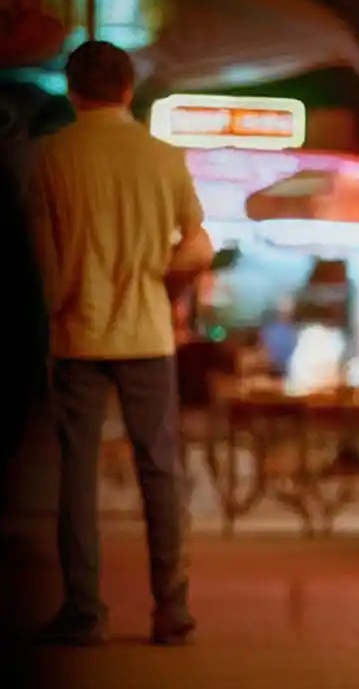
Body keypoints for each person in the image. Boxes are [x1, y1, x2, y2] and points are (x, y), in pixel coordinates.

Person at [26, 40, 214, 646]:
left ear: (72, 90)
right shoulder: (164, 157)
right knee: (159, 469)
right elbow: (197, 245)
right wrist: (161, 278)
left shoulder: (50, 156)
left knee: (76, 475)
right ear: (129, 89)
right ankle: (171, 609)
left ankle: (84, 612)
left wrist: (59, 303)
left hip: (76, 334)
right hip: (147, 333)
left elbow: (44, 261)